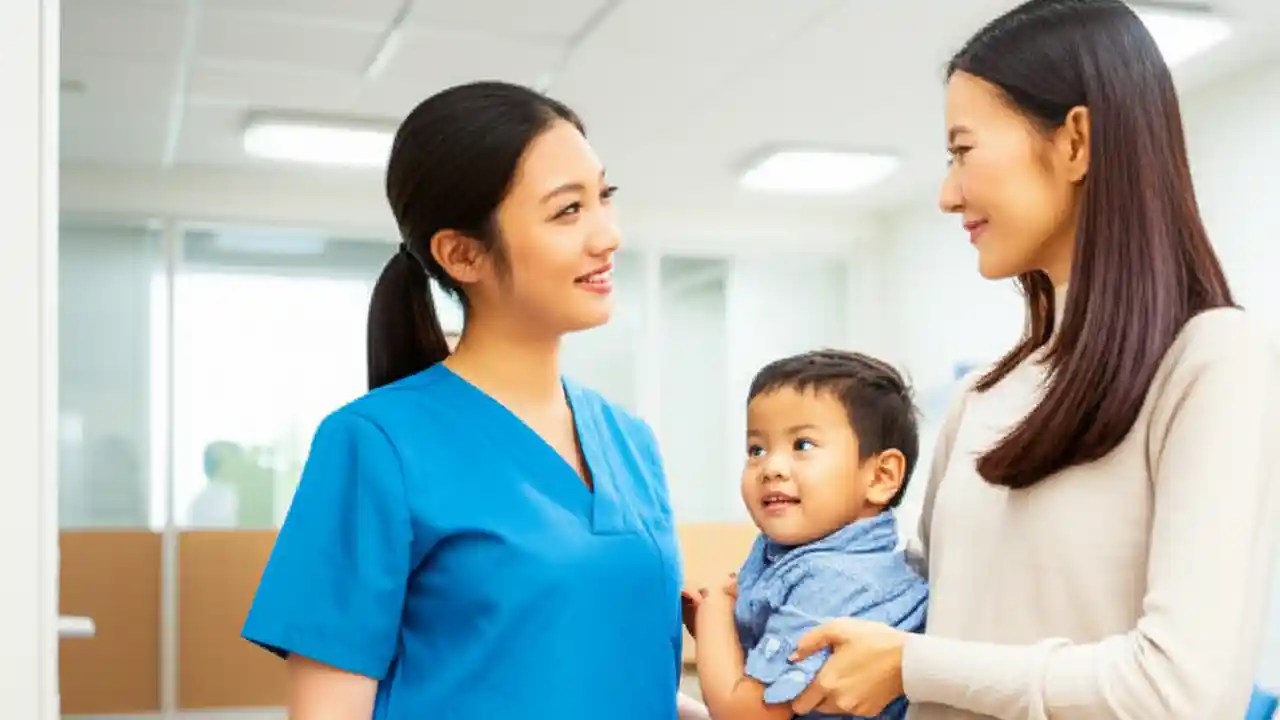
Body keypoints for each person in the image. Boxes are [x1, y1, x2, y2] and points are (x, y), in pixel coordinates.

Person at [783, 2, 1280, 719]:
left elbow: (1183, 692)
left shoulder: (1212, 359)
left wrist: (916, 665)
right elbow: (907, 633)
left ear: (1076, 141)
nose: (948, 193)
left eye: (962, 150)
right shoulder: (985, 395)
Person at [240, 81, 693, 720]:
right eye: (568, 210)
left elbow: (592, 665)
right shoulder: (375, 443)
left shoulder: (631, 440)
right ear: (462, 253)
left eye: (604, 197)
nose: (608, 234)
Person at [692, 350, 928, 720]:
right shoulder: (796, 555)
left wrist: (714, 614)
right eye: (756, 449)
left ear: (881, 477)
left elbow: (745, 714)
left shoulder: (837, 581)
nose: (771, 467)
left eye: (802, 445)